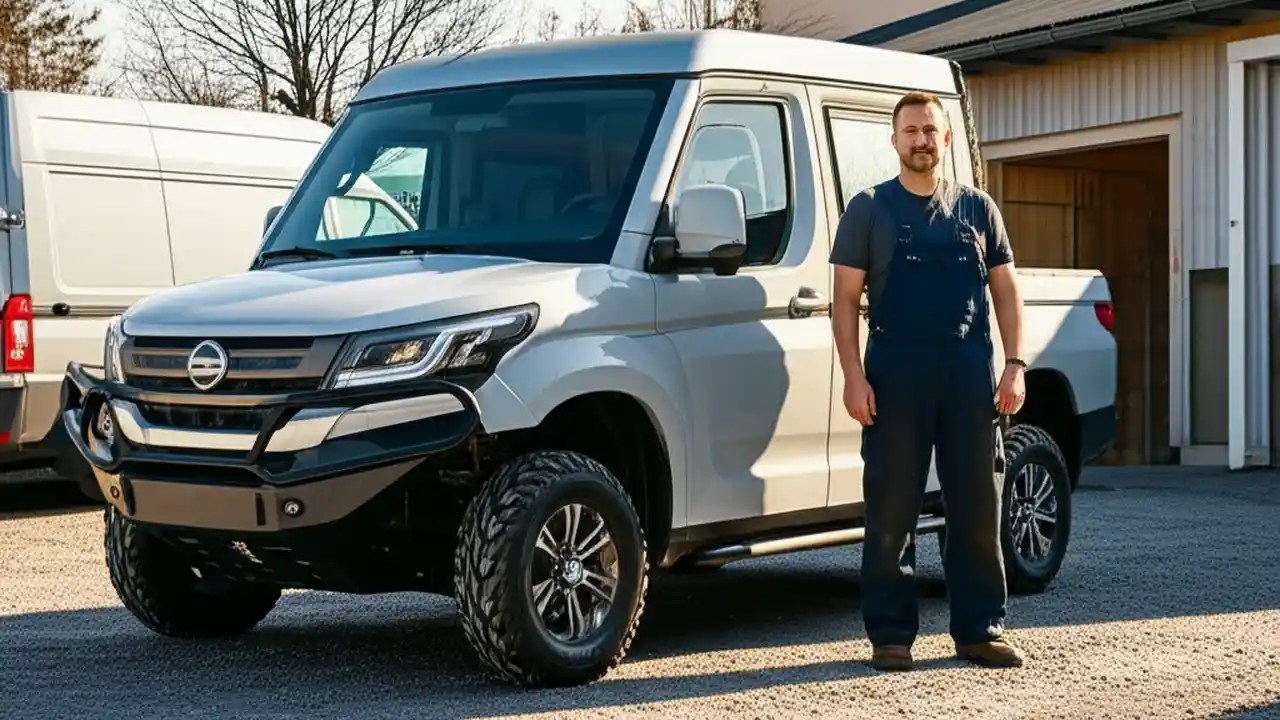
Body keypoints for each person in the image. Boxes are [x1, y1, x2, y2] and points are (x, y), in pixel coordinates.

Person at [829, 91, 1027, 672]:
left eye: (930, 130)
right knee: (892, 509)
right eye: (909, 130)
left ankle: (980, 628)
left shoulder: (979, 209)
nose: (920, 139)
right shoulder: (868, 209)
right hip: (894, 377)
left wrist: (1015, 364)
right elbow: (843, 302)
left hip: (969, 376)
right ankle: (891, 635)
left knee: (977, 505)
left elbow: (1006, 291)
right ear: (894, 141)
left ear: (946, 139)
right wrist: (853, 376)